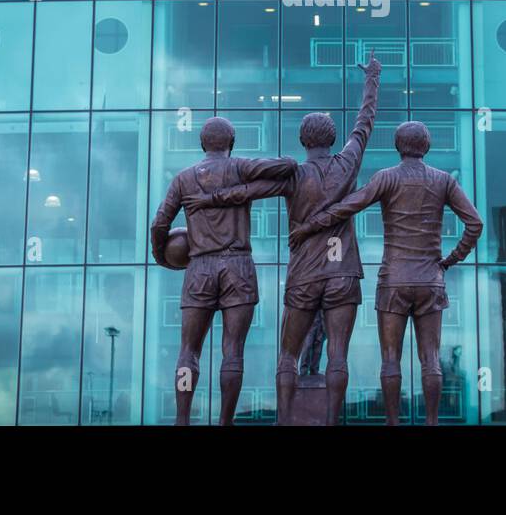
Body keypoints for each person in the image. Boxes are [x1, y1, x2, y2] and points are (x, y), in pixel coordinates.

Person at [186, 53, 381, 425]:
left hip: (305, 273)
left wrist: (208, 198)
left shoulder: (294, 175)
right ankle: (332, 418)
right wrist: (372, 78)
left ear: (302, 140)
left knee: (288, 355)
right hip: (343, 272)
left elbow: (247, 191)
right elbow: (365, 121)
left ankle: (285, 419)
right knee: (338, 354)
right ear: (333, 138)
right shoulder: (349, 161)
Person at [287, 120, 482, 425]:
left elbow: (348, 206)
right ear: (426, 146)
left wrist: (309, 225)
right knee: (431, 359)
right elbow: (475, 224)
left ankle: (393, 422)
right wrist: (450, 260)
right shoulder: (444, 180)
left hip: (393, 281)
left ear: (397, 147)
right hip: (430, 279)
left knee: (391, 359)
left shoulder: (386, 178)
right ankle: (432, 422)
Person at [149, 117, 296, 425]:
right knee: (233, 351)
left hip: (199, 266)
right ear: (231, 143)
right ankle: (225, 421)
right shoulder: (240, 167)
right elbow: (287, 166)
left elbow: (159, 224)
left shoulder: (183, 179)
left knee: (188, 351)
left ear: (203, 144)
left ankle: (182, 420)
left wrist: (162, 257)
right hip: (237, 265)